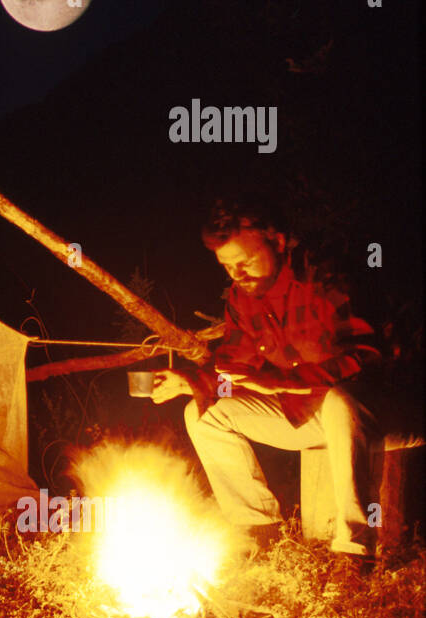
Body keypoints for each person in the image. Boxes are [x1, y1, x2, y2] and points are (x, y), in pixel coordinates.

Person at [152, 199, 382, 556]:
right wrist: (191, 381)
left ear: (277, 241)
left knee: (340, 400)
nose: (237, 275)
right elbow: (233, 362)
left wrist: (287, 381)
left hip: (378, 409)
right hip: (310, 414)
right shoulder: (243, 297)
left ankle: (355, 548)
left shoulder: (326, 277)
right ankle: (260, 535)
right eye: (227, 266)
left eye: (244, 262)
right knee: (204, 414)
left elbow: (367, 357)